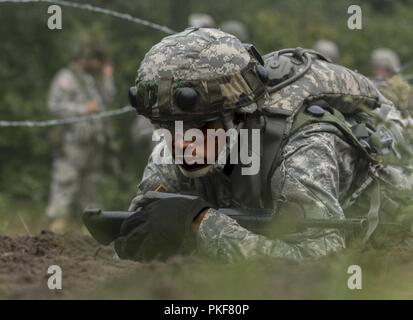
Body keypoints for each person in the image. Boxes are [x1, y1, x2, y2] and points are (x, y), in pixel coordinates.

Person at [114, 28, 412, 262]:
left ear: (239, 118)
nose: (181, 142)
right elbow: (143, 225)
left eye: (200, 128)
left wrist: (200, 224)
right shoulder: (179, 135)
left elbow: (320, 260)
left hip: (395, 232)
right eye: (167, 127)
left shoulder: (304, 145)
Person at [47, 42, 116, 232]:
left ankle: (90, 224)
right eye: (95, 60)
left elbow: (108, 98)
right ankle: (58, 222)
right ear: (84, 58)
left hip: (94, 141)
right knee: (66, 180)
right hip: (73, 141)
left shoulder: (94, 80)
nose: (97, 64)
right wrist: (81, 110)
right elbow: (55, 106)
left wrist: (107, 76)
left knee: (91, 184)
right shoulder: (66, 78)